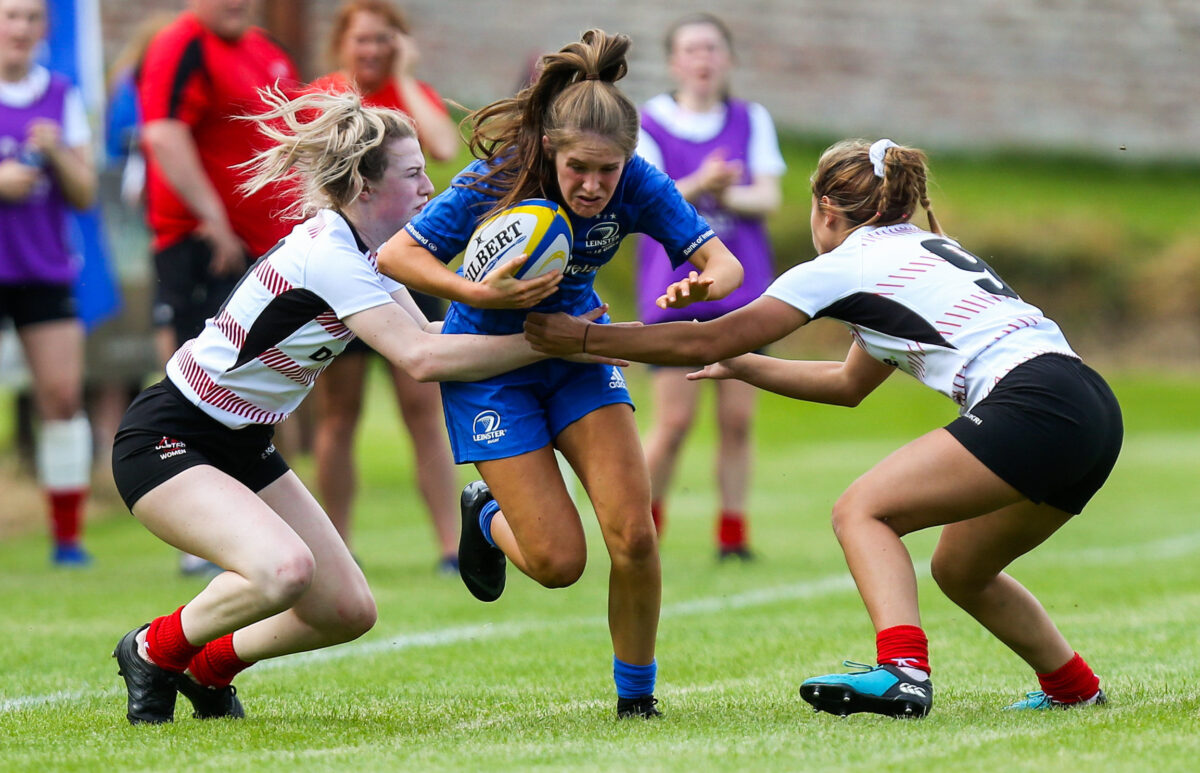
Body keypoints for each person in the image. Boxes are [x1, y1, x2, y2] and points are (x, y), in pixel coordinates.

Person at [525, 138, 1122, 718]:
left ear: (826, 210)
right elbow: (846, 384)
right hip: (1092, 406)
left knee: (862, 511)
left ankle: (904, 671)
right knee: (960, 570)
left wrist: (584, 337)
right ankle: (1073, 686)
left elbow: (708, 337)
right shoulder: (925, 249)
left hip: (1032, 402)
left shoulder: (841, 266)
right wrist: (744, 364)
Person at [110, 88, 619, 725]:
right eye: (413, 174)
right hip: (169, 440)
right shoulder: (330, 256)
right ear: (363, 184)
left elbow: (432, 334)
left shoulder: (369, 254)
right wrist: (559, 345)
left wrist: (555, 331)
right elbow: (421, 359)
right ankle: (151, 650)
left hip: (242, 446)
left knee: (347, 611)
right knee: (283, 571)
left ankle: (209, 667)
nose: (429, 187)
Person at [376, 29, 745, 719]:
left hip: (576, 354)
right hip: (489, 370)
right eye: (579, 168)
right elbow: (397, 255)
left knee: (634, 535)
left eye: (609, 170)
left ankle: (636, 700)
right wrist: (478, 293)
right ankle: (486, 514)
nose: (594, 185)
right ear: (550, 148)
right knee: (557, 563)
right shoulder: (503, 175)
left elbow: (724, 264)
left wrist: (702, 283)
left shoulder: (638, 182)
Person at [137, 0, 300, 577]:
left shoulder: (264, 51)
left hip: (265, 252)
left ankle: (259, 525)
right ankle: (199, 535)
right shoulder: (181, 42)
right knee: (202, 388)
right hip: (205, 245)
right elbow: (163, 133)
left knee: (259, 390)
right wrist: (214, 217)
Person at [309, 0, 460, 569]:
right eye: (363, 39)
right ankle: (338, 547)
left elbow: (445, 147)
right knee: (339, 412)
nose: (372, 50)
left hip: (406, 261)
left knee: (424, 407)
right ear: (342, 43)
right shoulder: (327, 97)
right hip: (346, 269)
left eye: (384, 39)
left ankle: (451, 546)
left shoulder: (409, 94)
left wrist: (405, 76)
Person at [634, 13, 784, 557]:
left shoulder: (750, 118)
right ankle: (643, 531)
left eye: (713, 48)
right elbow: (647, 198)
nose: (703, 59)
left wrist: (722, 193)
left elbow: (767, 196)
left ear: (729, 59)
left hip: (743, 293)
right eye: (692, 49)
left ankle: (733, 537)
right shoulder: (648, 123)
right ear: (674, 62)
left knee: (738, 420)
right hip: (675, 291)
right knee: (674, 422)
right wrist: (704, 182)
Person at [0, 0, 98, 566]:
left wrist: (57, 152)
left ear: (45, 27)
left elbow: (85, 194)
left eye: (31, 17)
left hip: (43, 267)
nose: (20, 28)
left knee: (62, 397)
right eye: (10, 15)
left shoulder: (61, 95)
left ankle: (67, 539)